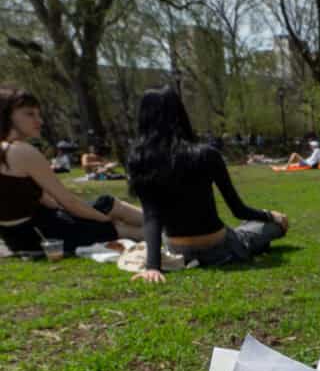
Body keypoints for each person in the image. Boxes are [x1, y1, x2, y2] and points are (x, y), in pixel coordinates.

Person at [126, 86, 288, 285]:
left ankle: (247, 233)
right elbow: (238, 209)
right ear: (180, 114)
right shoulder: (206, 154)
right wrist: (270, 215)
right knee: (272, 225)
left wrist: (153, 266)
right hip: (220, 248)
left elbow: (152, 217)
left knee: (245, 228)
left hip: (177, 251)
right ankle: (261, 230)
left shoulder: (140, 161)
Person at [0, 85, 144, 255]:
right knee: (117, 226)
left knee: (107, 203)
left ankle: (164, 224)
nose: (39, 121)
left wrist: (93, 213)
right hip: (43, 235)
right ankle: (167, 232)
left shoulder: (6, 150)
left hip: (18, 236)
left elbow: (48, 201)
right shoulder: (20, 150)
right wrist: (104, 220)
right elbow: (67, 201)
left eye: (38, 114)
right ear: (7, 115)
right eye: (30, 114)